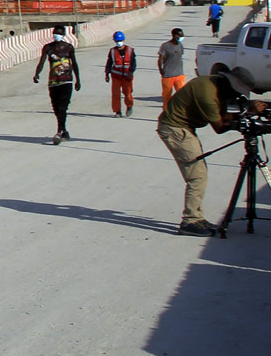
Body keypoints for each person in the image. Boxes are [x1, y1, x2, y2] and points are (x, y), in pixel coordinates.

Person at [158, 72, 260, 235]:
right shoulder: (208, 94)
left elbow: (227, 115)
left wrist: (243, 108)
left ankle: (197, 217)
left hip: (183, 128)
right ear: (229, 85)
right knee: (197, 176)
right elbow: (220, 127)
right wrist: (248, 111)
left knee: (199, 173)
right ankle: (190, 221)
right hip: (175, 129)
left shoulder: (215, 86)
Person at [33, 26, 79, 144]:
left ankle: (59, 131)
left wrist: (78, 80)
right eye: (55, 33)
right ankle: (63, 130)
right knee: (56, 108)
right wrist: (37, 74)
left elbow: (74, 64)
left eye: (59, 33)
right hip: (53, 82)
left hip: (66, 81)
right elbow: (42, 62)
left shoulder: (69, 48)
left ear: (63, 35)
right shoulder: (48, 48)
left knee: (63, 107)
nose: (56, 35)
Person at [105, 30, 138, 117]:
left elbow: (133, 63)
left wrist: (131, 72)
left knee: (128, 93)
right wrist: (107, 73)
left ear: (123, 40)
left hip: (127, 76)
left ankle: (129, 105)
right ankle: (117, 111)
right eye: (117, 41)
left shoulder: (130, 50)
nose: (119, 43)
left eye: (120, 41)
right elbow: (109, 63)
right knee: (115, 94)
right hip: (116, 76)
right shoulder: (112, 51)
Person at [158, 28, 187, 104]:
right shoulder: (165, 46)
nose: (182, 37)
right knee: (166, 95)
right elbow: (160, 59)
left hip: (180, 74)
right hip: (168, 75)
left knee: (182, 95)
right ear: (175, 36)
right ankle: (166, 112)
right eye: (180, 36)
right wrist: (161, 69)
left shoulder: (180, 45)